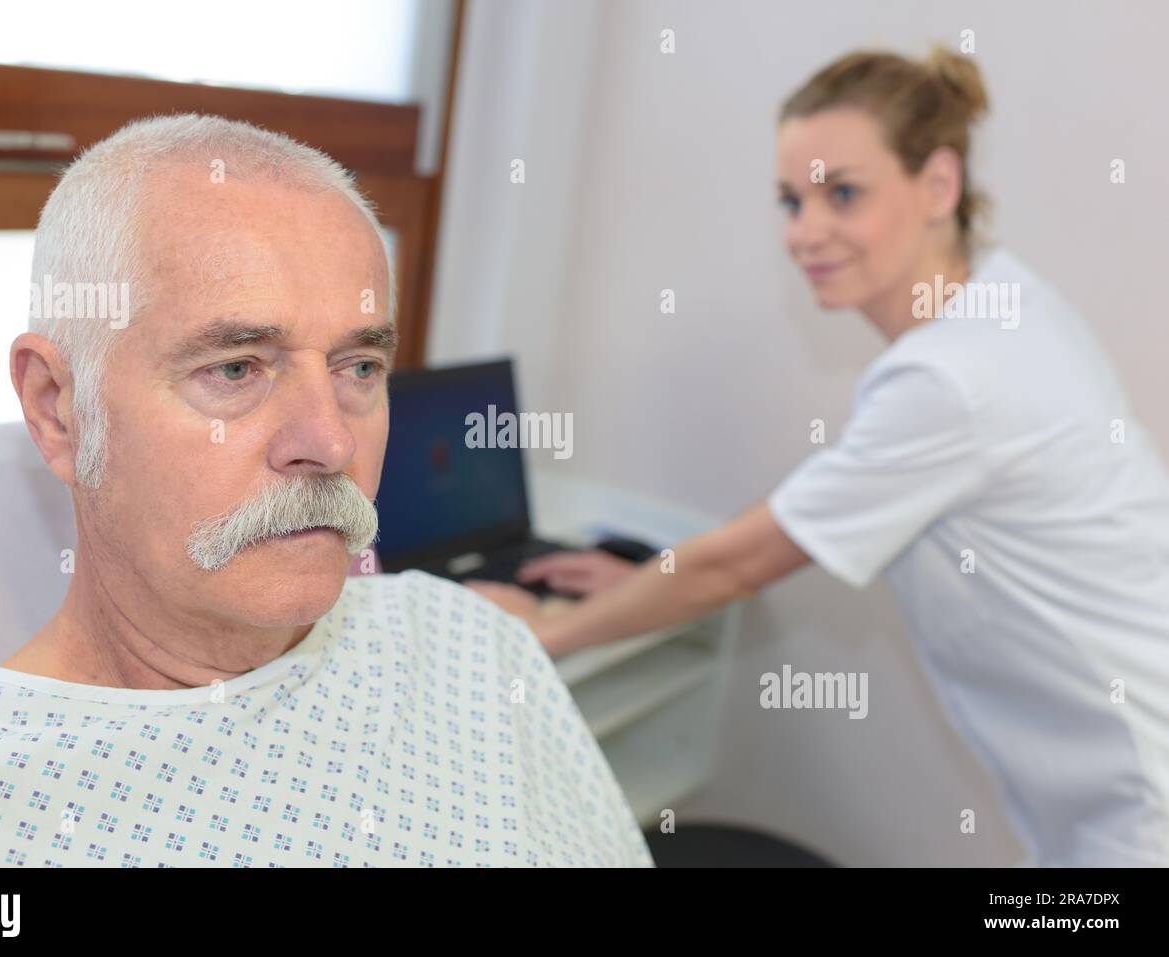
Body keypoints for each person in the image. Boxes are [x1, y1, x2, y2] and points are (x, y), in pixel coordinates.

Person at [0, 114, 651, 868]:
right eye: (237, 368)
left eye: (359, 369)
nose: (331, 441)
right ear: (59, 409)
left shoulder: (473, 644)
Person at [469, 47, 1169, 867]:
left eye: (843, 193)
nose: (806, 231)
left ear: (938, 186)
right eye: (791, 199)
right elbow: (810, 504)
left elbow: (739, 565)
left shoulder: (952, 379)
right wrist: (641, 580)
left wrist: (539, 639)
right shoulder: (1005, 304)